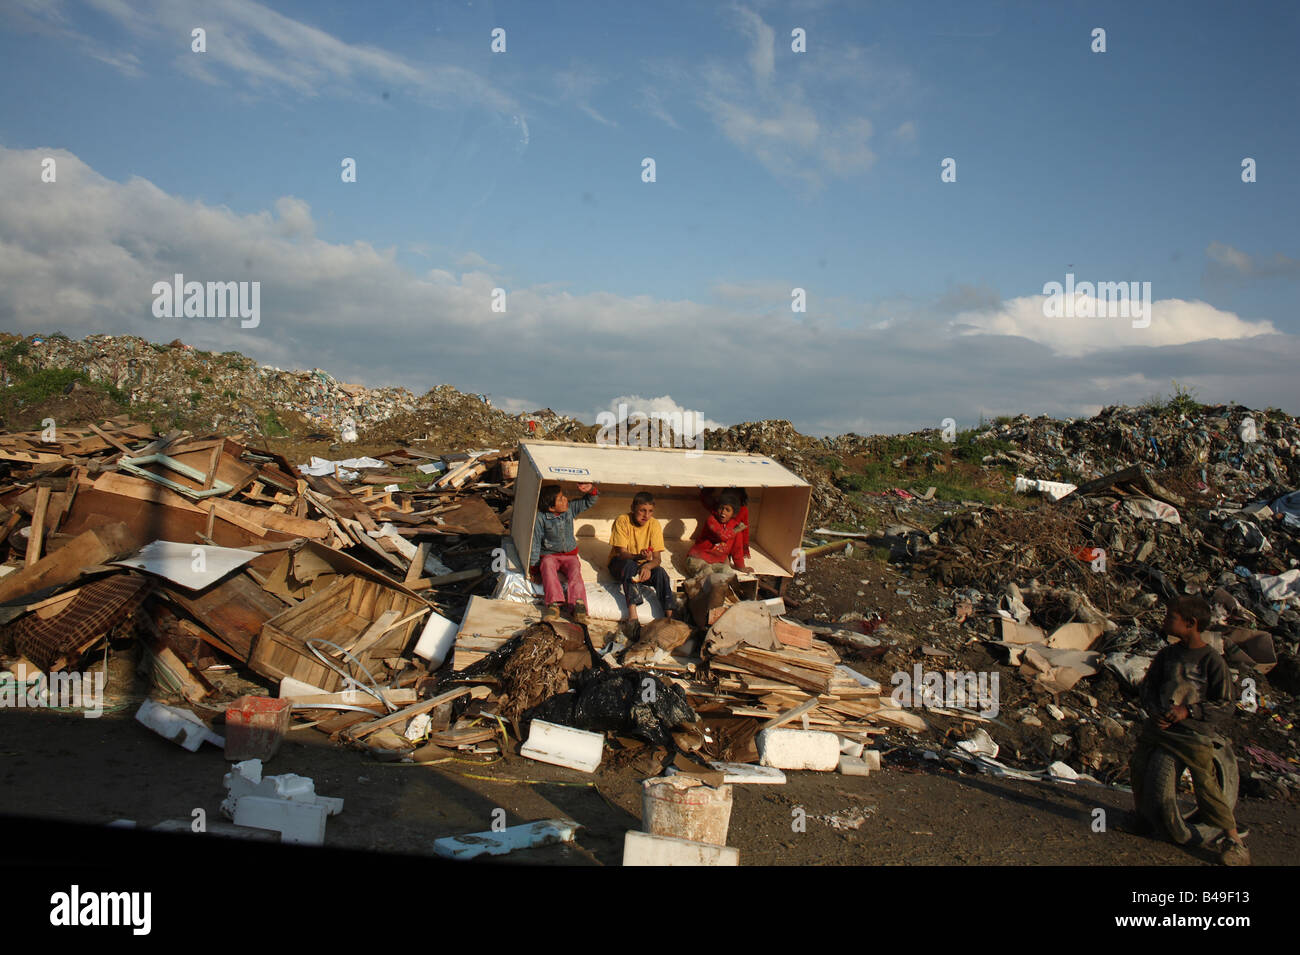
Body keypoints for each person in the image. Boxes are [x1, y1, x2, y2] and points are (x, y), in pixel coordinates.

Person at [1130, 595, 1249, 865]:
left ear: (1191, 623)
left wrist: (1188, 711)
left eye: (1170, 617)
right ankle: (1143, 817)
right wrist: (1156, 712)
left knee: (1205, 783)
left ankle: (1234, 840)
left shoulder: (1211, 661)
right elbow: (1148, 688)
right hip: (1161, 726)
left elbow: (1226, 704)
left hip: (1193, 732)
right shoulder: (1167, 655)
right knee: (1138, 765)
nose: (1164, 621)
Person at [531, 482, 598, 624]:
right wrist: (534, 570)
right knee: (547, 566)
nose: (566, 499)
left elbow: (590, 501)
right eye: (560, 499)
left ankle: (578, 606)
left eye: (564, 496)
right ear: (551, 507)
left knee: (575, 570)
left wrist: (591, 490)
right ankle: (554, 605)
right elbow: (535, 543)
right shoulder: (541, 518)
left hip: (569, 555)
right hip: (550, 554)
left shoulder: (570, 509)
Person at [608, 491, 674, 621]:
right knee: (630, 565)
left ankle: (670, 616)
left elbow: (657, 559)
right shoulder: (622, 520)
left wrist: (648, 566)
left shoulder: (654, 524)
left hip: (641, 565)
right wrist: (639, 557)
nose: (646, 515)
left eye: (650, 511)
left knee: (660, 572)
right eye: (642, 510)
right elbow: (622, 553)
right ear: (632, 508)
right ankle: (633, 616)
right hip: (621, 563)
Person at [687, 489, 750, 576]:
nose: (723, 512)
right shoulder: (712, 520)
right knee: (707, 573)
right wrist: (735, 530)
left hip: (715, 563)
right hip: (697, 559)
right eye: (721, 508)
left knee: (728, 573)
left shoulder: (735, 527)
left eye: (727, 510)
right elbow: (722, 536)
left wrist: (741, 566)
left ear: (733, 514)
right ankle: (692, 586)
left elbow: (737, 550)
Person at [700, 487, 750, 565]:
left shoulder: (743, 510)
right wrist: (709, 488)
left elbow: (745, 531)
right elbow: (706, 501)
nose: (724, 511)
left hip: (731, 542)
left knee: (738, 534)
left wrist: (745, 548)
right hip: (716, 543)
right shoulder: (719, 509)